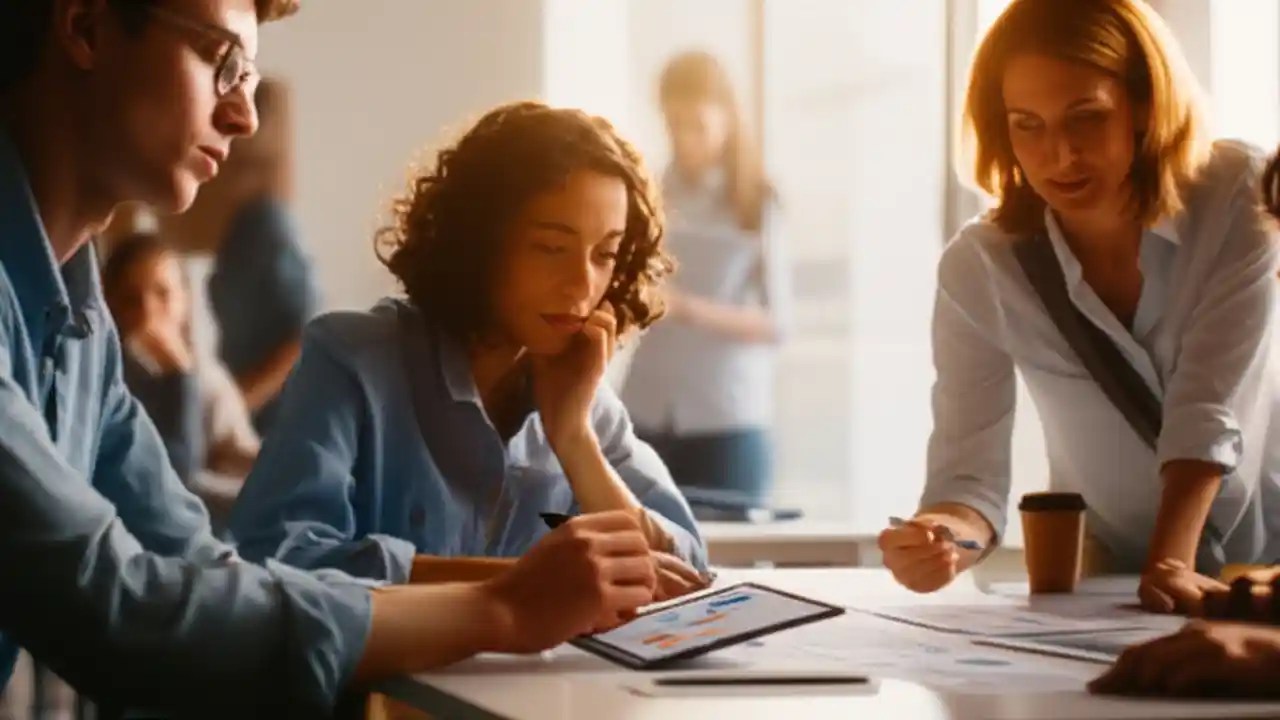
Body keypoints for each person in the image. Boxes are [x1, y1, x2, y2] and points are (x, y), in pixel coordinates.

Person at [0, 0, 658, 715]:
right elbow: (115, 606)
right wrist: (500, 606)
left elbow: (198, 566)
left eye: (248, 78)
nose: (244, 117)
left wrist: (516, 574)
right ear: (86, 26)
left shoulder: (80, 320)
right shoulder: (354, 352)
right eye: (221, 62)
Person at [877, 0, 1280, 614]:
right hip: (1119, 584)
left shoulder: (1237, 191)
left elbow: (1208, 405)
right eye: (1027, 125)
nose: (1060, 154)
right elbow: (969, 479)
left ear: (1144, 105)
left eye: (1086, 117)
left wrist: (1170, 566)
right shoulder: (980, 267)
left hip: (1266, 570)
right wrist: (942, 540)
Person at [229, 101, 709, 598]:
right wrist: (521, 583)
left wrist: (573, 439)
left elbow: (686, 568)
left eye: (605, 254)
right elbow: (275, 555)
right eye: (551, 248)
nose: (583, 284)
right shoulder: (353, 361)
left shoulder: (582, 402)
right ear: (481, 239)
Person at [621, 50, 792, 507]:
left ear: (727, 118)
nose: (684, 138)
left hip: (726, 421)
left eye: (696, 124)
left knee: (725, 547)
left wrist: (684, 308)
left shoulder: (758, 202)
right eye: (673, 124)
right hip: (646, 408)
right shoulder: (647, 193)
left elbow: (777, 322)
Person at [163, 77, 317, 435]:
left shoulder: (265, 224)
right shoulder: (235, 232)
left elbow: (304, 337)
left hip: (277, 425)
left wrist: (239, 403)